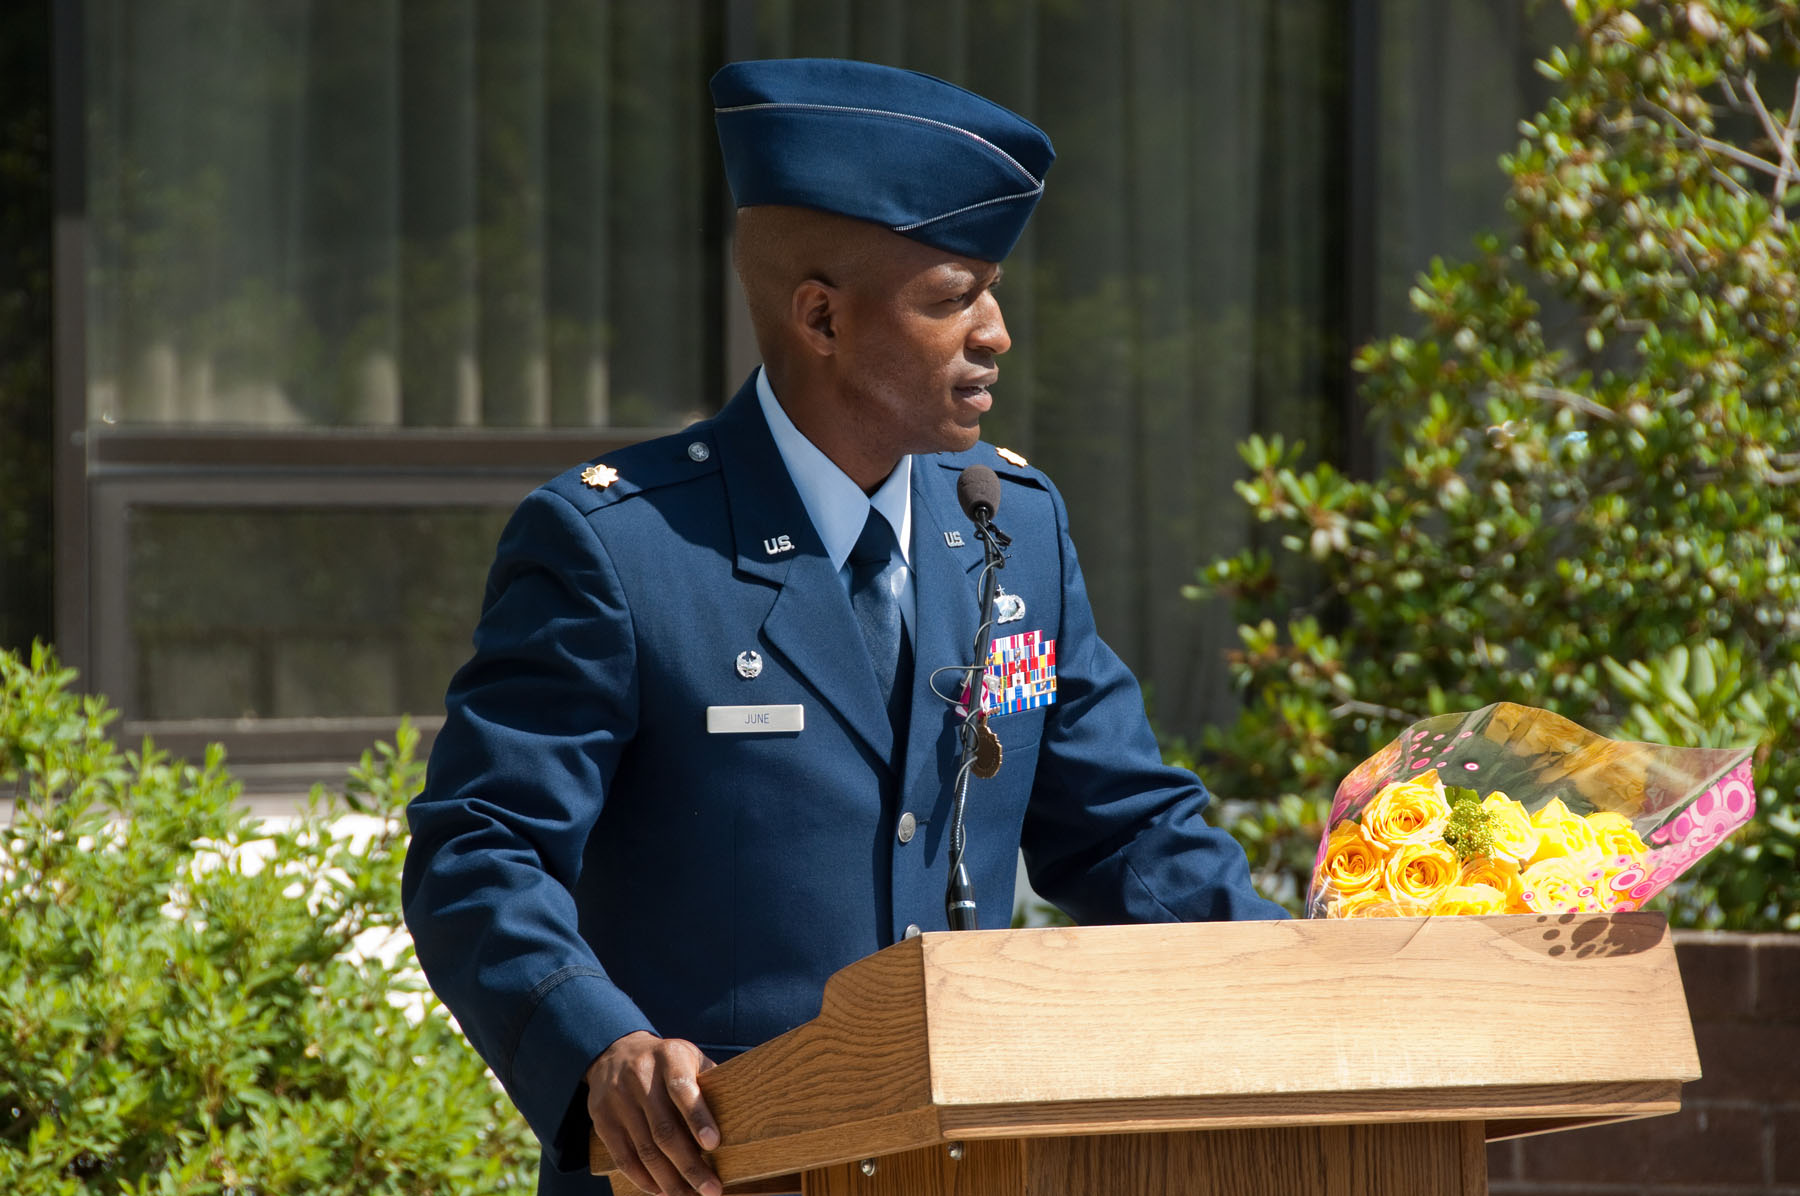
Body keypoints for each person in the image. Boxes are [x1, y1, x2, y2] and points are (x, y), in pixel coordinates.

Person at [402, 57, 1287, 1196]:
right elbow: (481, 847)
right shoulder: (621, 548)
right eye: (953, 295)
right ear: (819, 315)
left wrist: (1307, 968)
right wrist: (600, 1053)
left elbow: (1122, 833)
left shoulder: (1007, 525)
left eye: (993, 291)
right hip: (713, 1166)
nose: (997, 332)